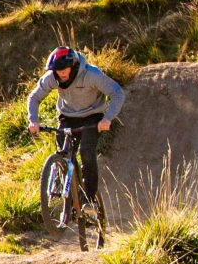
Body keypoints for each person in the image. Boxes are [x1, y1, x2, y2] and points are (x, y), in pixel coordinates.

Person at [26, 45, 124, 209]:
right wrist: (33, 120)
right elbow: (34, 97)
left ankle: (89, 200)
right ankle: (70, 193)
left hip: (92, 117)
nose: (61, 73)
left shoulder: (91, 74)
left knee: (86, 152)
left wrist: (107, 118)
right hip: (67, 117)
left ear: (73, 65)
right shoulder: (52, 77)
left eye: (64, 69)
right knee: (63, 154)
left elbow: (117, 93)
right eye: (57, 70)